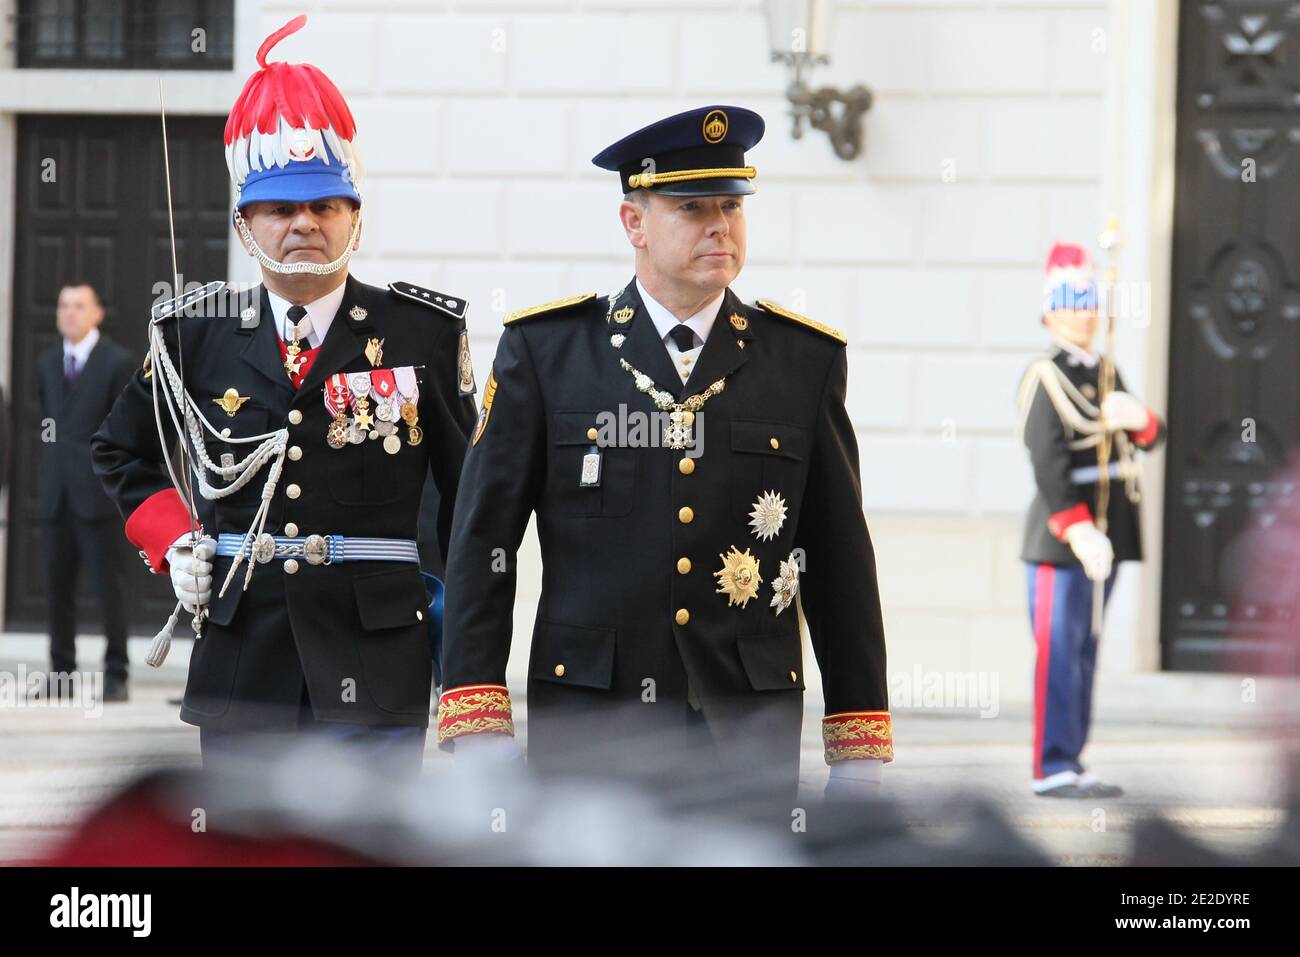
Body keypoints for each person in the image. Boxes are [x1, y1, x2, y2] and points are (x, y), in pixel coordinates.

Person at [437, 105, 892, 804]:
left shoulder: (802, 362)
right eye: (692, 207)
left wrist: (857, 739)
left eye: (732, 206)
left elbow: (838, 559)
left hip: (745, 725)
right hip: (592, 721)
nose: (721, 225)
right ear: (634, 223)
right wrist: (477, 714)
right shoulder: (549, 353)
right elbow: (482, 538)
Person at [90, 15, 476, 770]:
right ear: (245, 224)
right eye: (282, 208)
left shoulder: (420, 333)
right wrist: (171, 540)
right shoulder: (194, 332)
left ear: (355, 219)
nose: (305, 223)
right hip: (245, 668)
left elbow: (473, 503)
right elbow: (117, 447)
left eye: (324, 206)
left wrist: (469, 667)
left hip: (379, 664)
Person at [1017, 241, 1166, 798]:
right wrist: (1077, 526)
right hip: (1063, 540)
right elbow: (1047, 461)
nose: (1085, 314)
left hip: (1109, 531)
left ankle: (1073, 759)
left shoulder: (1107, 370)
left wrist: (1142, 418)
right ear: (1051, 310)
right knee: (1058, 654)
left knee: (1085, 652)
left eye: (1090, 303)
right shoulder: (1044, 376)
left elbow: (1150, 439)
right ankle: (1051, 764)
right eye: (1073, 303)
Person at [37, 281, 134, 701]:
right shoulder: (45, 363)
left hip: (98, 496)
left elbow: (124, 429)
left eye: (78, 306)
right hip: (57, 494)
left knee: (107, 586)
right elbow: (48, 424)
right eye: (63, 306)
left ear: (97, 313)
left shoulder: (117, 362)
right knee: (57, 587)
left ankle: (116, 674)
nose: (69, 313)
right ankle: (61, 673)